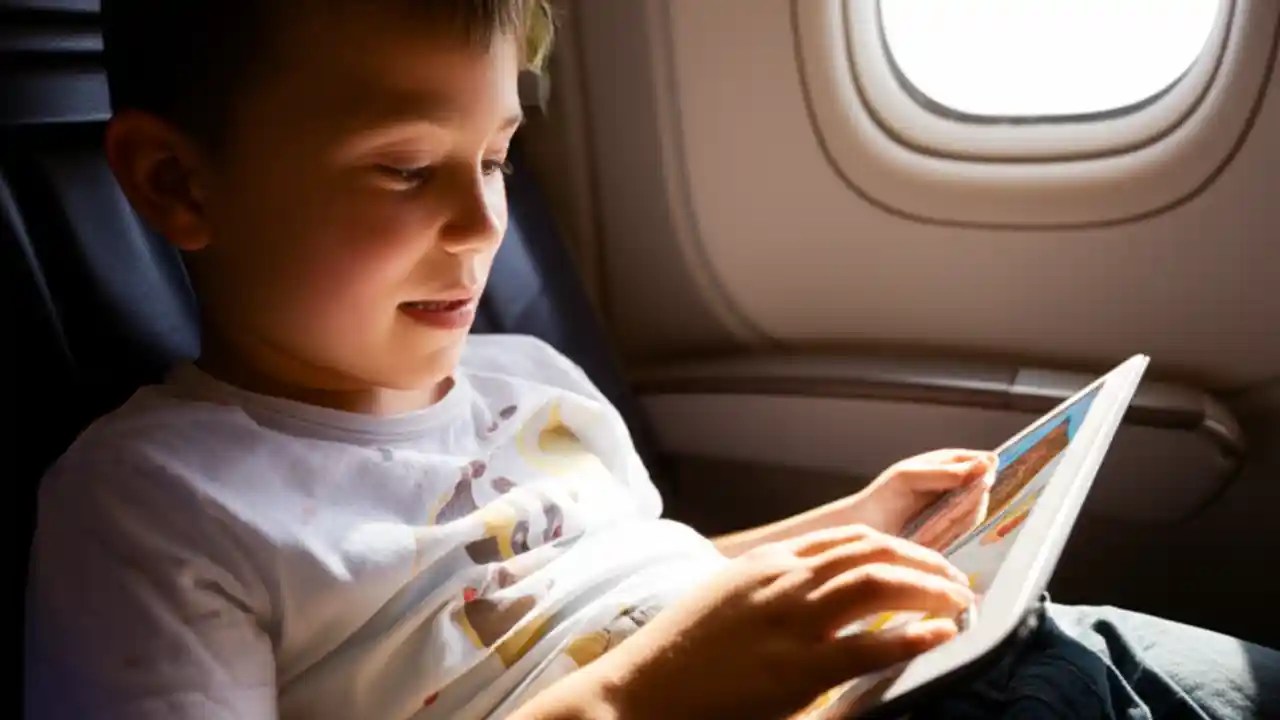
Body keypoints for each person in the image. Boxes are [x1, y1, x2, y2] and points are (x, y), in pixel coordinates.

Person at [22, 2, 1278, 718]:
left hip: (946, 671)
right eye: (406, 171)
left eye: (498, 157)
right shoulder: (157, 506)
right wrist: (659, 688)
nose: (480, 225)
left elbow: (631, 574)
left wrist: (839, 527)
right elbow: (652, 649)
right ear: (177, 182)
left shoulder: (531, 384)